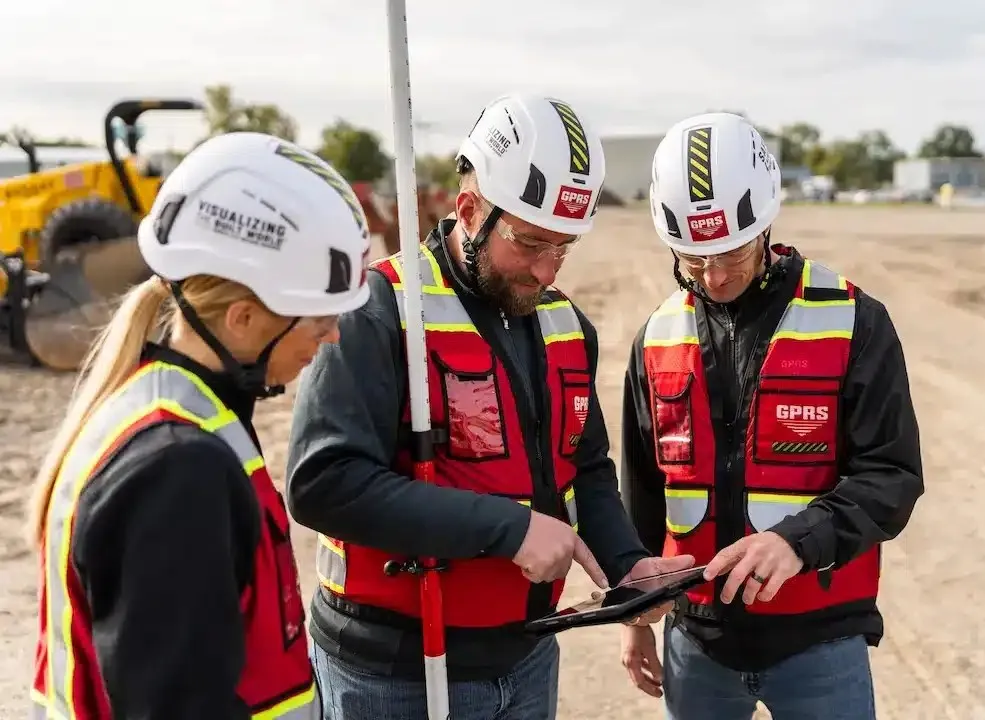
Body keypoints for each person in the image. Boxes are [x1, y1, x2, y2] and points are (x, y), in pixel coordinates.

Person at [285, 92, 694, 720]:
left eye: (564, 247)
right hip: (395, 674)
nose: (547, 270)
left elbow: (584, 469)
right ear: (470, 209)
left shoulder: (566, 326)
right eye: (529, 243)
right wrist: (509, 529)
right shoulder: (380, 310)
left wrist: (626, 564)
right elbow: (323, 483)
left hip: (526, 658)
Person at [26, 130, 373, 719]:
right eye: (320, 322)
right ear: (243, 319)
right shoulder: (177, 470)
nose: (333, 337)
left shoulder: (175, 408)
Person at [619, 112, 925, 719]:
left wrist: (797, 543)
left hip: (820, 644)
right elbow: (644, 492)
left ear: (764, 222)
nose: (714, 276)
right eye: (692, 257)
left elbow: (892, 475)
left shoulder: (852, 320)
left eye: (731, 252)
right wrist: (634, 619)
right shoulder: (655, 338)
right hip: (696, 646)